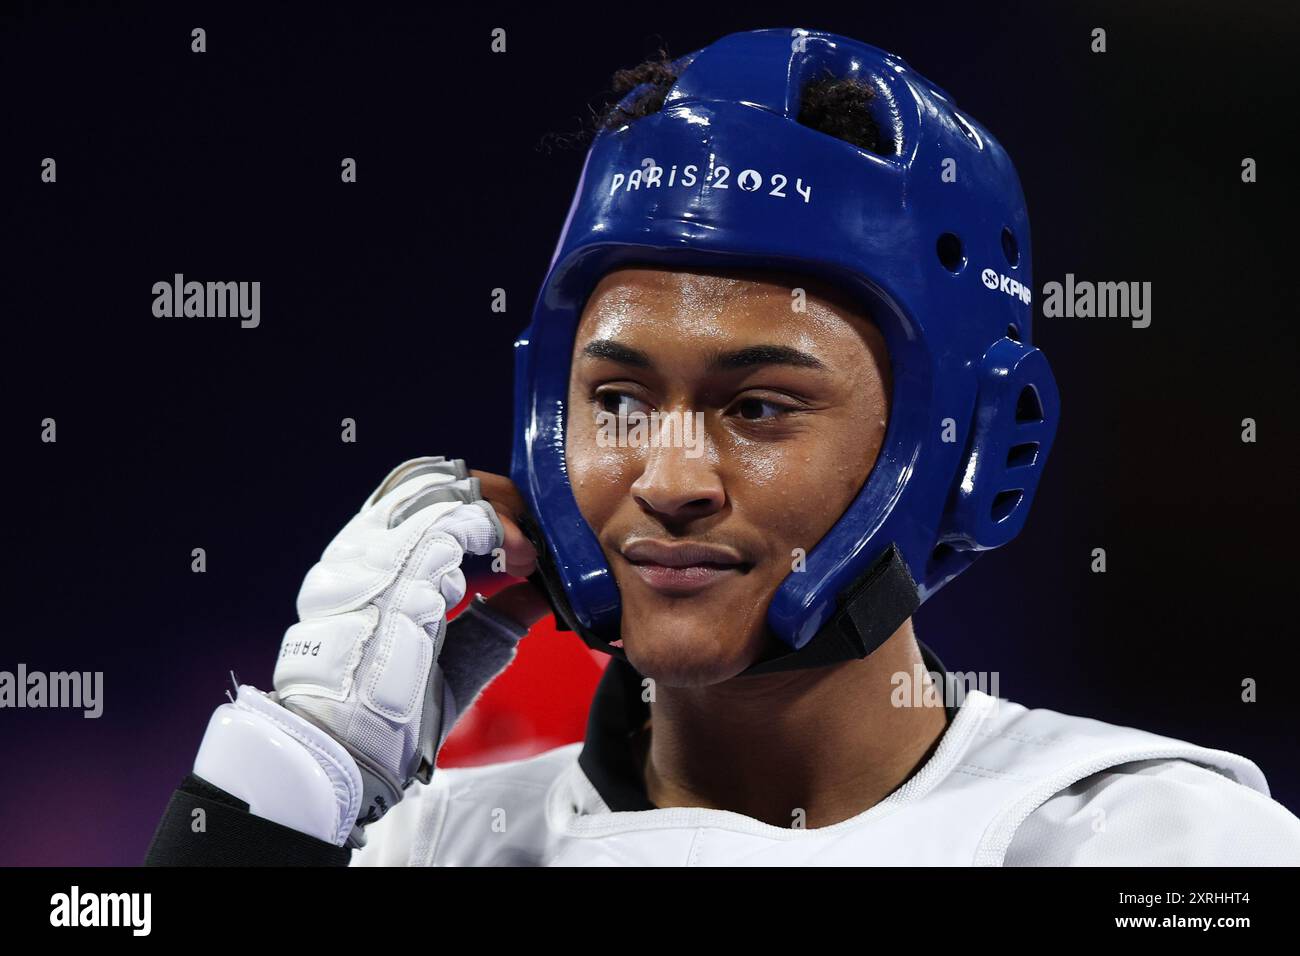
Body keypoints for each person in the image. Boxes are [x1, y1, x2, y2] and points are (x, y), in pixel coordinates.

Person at [146, 28, 1300, 867]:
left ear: (979, 446)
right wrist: (287, 780)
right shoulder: (422, 848)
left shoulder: (1156, 845)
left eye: (758, 407)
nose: (666, 477)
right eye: (616, 396)